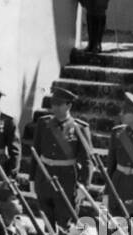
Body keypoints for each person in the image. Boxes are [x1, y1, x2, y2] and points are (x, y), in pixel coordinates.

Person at [30, 86, 93, 227]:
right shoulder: (44, 123)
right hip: (44, 177)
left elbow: (87, 160)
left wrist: (84, 186)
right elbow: (36, 152)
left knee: (66, 222)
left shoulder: (80, 128)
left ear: (69, 105)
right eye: (53, 104)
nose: (55, 108)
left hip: (67, 180)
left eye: (59, 105)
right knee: (47, 222)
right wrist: (32, 179)